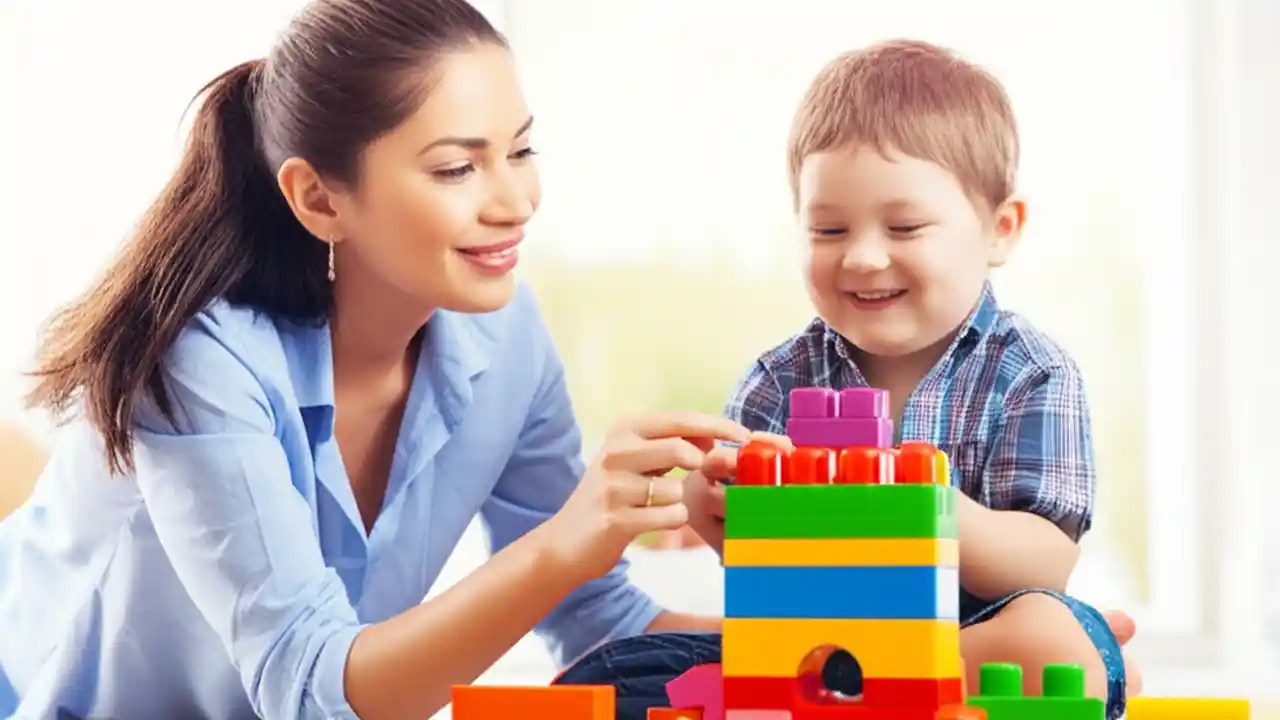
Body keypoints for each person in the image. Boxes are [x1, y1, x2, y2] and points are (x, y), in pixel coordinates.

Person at [0, 2, 748, 718]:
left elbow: (597, 615)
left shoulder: (508, 337)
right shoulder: (204, 360)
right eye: (458, 169)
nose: (516, 201)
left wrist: (835, 652)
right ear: (319, 199)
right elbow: (310, 692)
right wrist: (563, 544)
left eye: (520, 151)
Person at [554, 40, 1141, 720]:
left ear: (999, 230)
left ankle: (915, 683)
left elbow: (1044, 563)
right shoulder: (778, 382)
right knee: (609, 674)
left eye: (905, 226)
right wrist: (713, 511)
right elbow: (761, 577)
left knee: (1053, 642)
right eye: (829, 230)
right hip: (818, 646)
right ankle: (859, 690)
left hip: (980, 639)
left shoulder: (1030, 371)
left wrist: (919, 506)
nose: (862, 258)